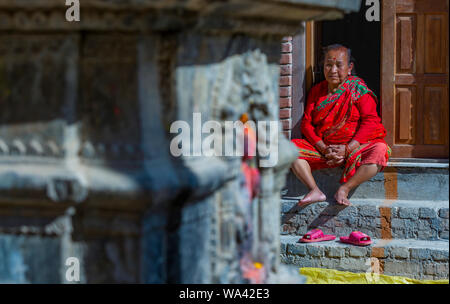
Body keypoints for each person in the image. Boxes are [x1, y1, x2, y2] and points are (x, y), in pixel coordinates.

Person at [291, 44, 391, 206]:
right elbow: (306, 124)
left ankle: (345, 188)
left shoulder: (358, 89)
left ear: (349, 67)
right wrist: (324, 148)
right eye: (328, 65)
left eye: (339, 65)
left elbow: (371, 121)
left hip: (354, 149)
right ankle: (314, 190)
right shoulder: (317, 91)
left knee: (380, 150)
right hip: (324, 150)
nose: (333, 70)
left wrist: (348, 148)